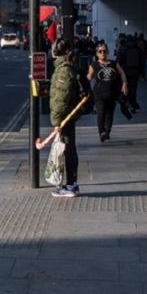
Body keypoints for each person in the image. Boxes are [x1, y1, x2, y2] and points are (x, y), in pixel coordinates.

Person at [48, 37, 86, 198]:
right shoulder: (66, 68)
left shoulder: (63, 70)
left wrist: (56, 122)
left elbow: (61, 99)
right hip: (68, 116)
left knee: (68, 150)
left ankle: (70, 186)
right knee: (68, 149)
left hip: (65, 118)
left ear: (57, 51)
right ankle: (70, 184)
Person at [89, 43, 127, 142]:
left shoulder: (114, 63)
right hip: (99, 93)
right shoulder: (94, 65)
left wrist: (124, 83)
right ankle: (101, 132)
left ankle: (107, 132)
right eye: (100, 51)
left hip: (112, 93)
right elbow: (89, 76)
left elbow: (122, 73)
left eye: (104, 51)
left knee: (109, 114)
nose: (102, 53)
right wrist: (87, 78)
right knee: (101, 112)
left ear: (108, 52)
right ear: (97, 53)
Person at [117, 33, 144, 113]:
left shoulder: (122, 48)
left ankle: (127, 103)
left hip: (125, 72)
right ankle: (133, 103)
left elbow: (118, 60)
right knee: (133, 88)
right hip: (135, 72)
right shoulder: (138, 48)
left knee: (125, 87)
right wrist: (141, 71)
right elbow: (142, 61)